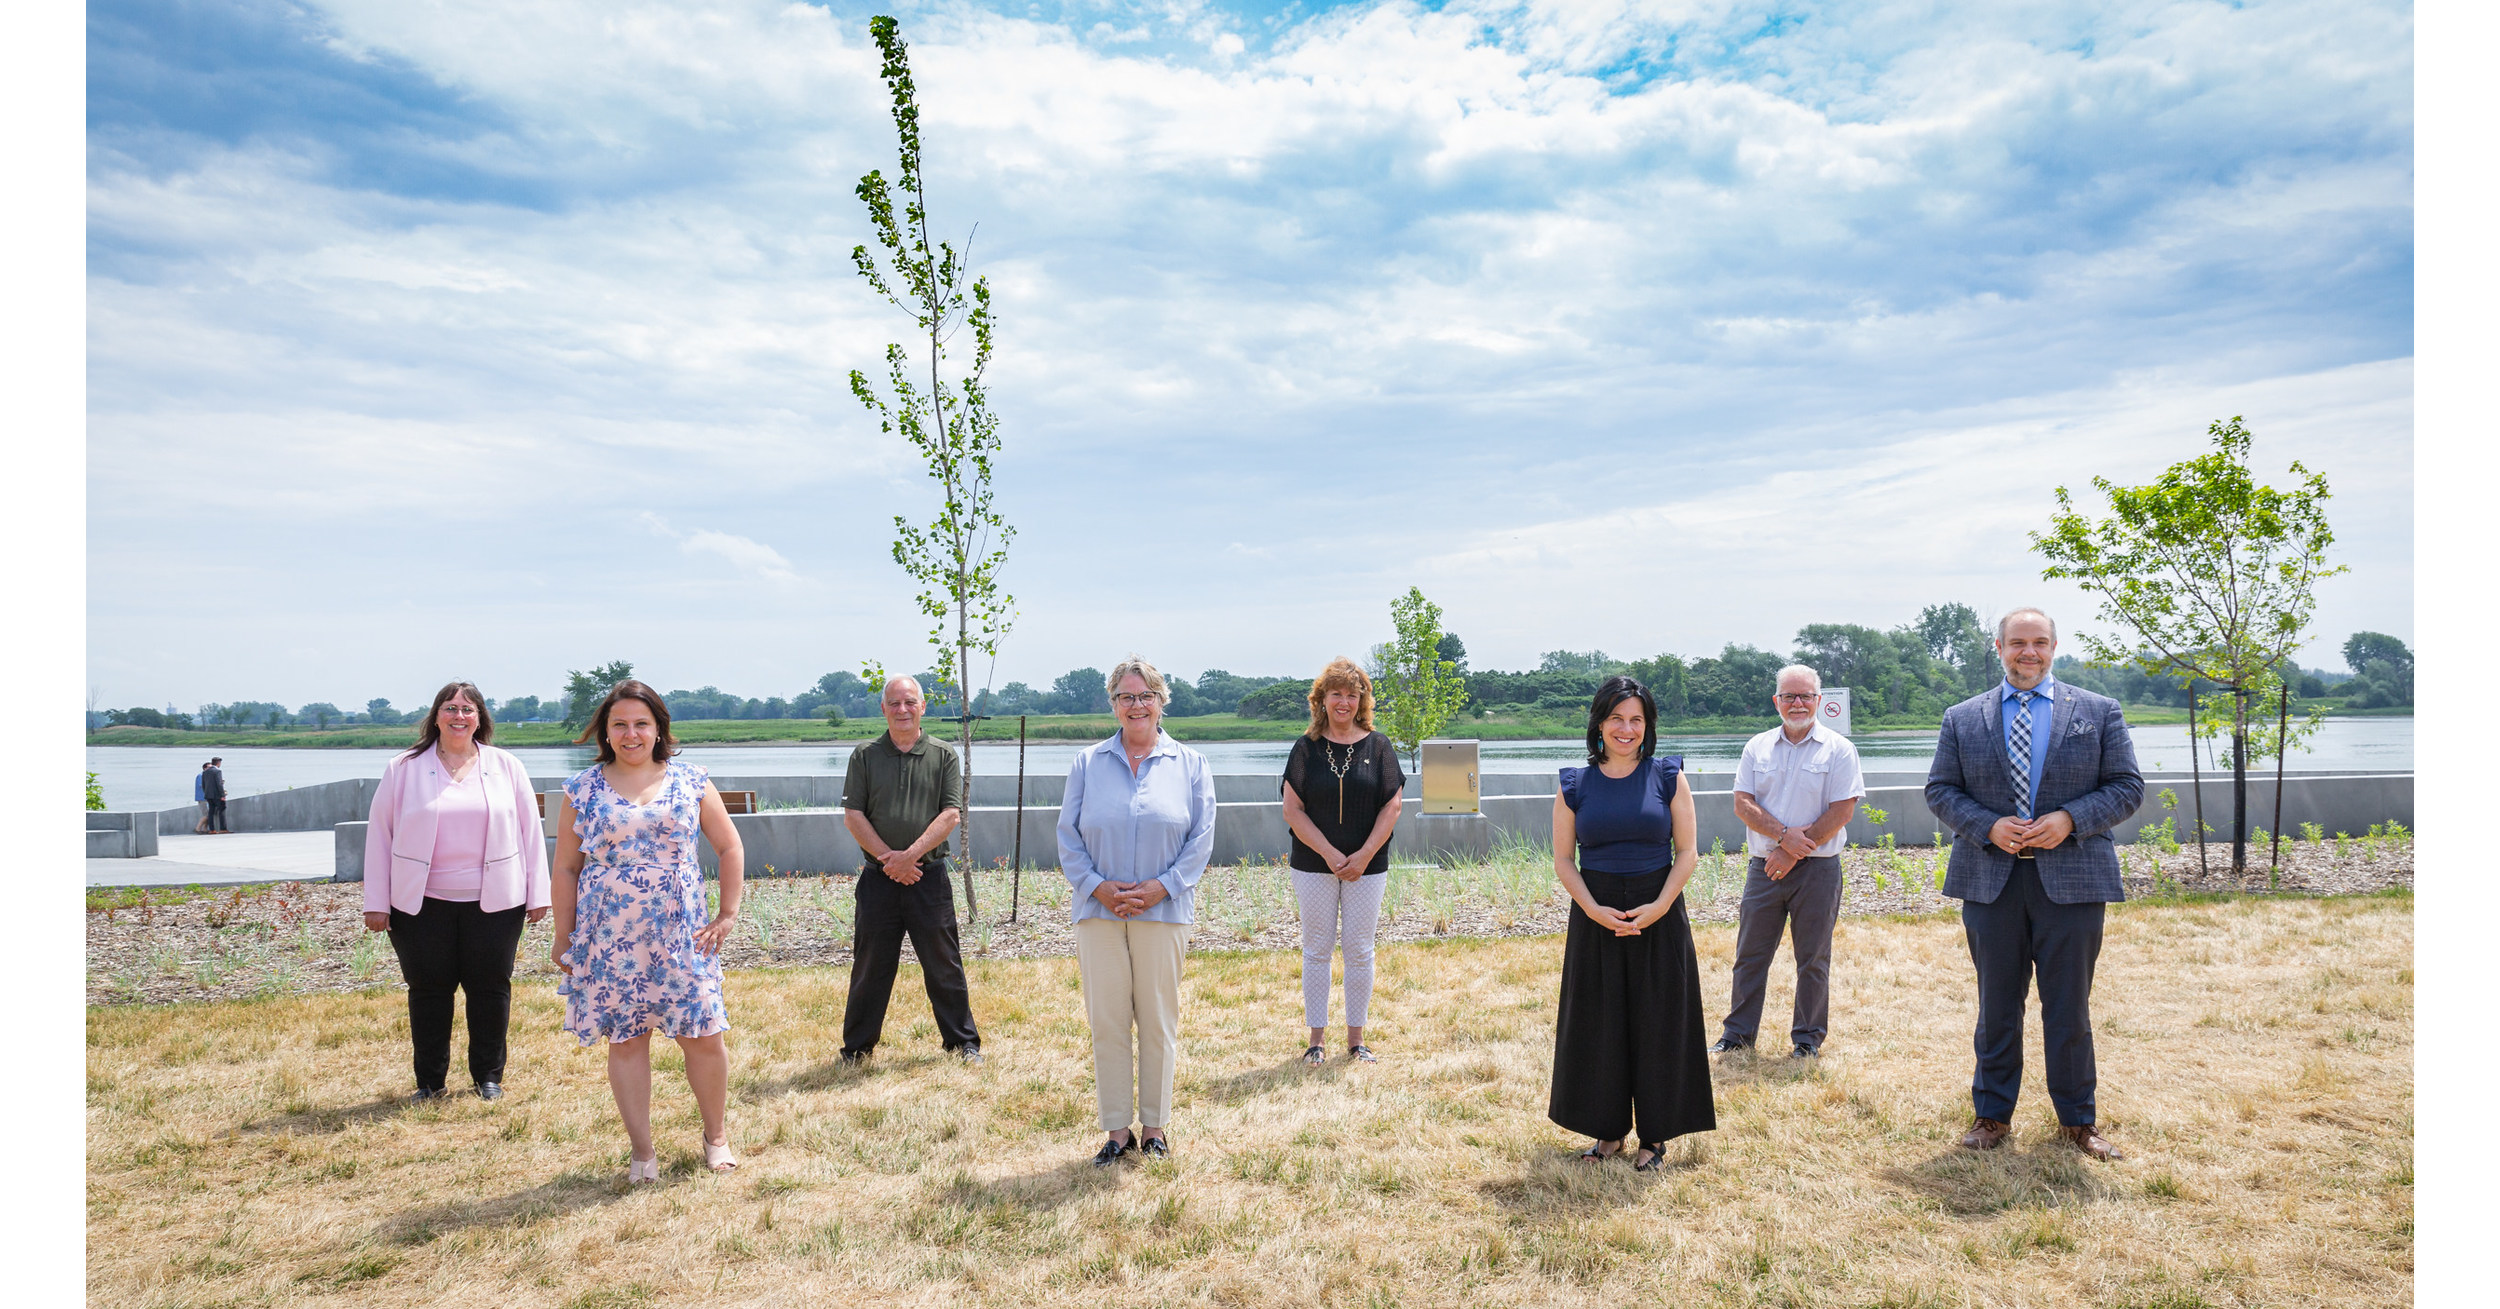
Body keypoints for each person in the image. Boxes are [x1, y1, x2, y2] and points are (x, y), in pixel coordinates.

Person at [1925, 608, 2142, 1162]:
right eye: (2018, 642)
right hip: (1989, 880)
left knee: (2069, 1008)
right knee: (1997, 1005)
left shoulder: (2098, 711)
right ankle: (1991, 1115)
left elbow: (2127, 787)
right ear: (1998, 647)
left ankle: (2078, 1122)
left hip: (2073, 880)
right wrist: (1987, 826)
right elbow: (1941, 791)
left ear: (2053, 647)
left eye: (2039, 642)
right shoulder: (1962, 717)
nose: (2029, 652)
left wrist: (2070, 819)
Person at [551, 679, 747, 1183]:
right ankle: (643, 1152)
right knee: (628, 1038)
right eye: (620, 724)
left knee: (704, 1036)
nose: (631, 733)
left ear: (659, 728)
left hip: (682, 934)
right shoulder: (583, 790)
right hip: (609, 936)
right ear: (606, 731)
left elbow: (730, 848)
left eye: (641, 723)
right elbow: (566, 870)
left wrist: (726, 914)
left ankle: (716, 1137)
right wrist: (564, 934)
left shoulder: (691, 781)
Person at [1549, 676, 1716, 1171]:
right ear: (1599, 724)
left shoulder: (1668, 776)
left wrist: (1661, 905)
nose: (1626, 729)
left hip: (1658, 911)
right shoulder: (1573, 784)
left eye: (1636, 720)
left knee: (1660, 1021)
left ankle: (1656, 1137)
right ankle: (1607, 1134)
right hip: (1595, 914)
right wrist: (1593, 910)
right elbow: (1563, 859)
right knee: (1598, 1023)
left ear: (1648, 727)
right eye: (1617, 718)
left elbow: (1687, 851)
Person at [1057, 656, 1215, 1167]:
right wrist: (1098, 888)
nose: (1136, 705)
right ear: (1114, 704)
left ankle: (1154, 1128)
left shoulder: (1190, 764)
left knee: (1157, 1021)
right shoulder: (1087, 763)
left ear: (1161, 701)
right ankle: (1117, 1131)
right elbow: (1068, 837)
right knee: (1107, 1021)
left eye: (1145, 695)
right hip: (1099, 914)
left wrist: (1161, 888)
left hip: (1163, 913)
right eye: (1126, 697)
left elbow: (1200, 840)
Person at [361, 683, 551, 1102]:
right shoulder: (403, 768)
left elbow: (530, 832)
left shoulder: (506, 766)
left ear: (480, 717)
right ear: (436, 716)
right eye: (450, 708)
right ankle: (429, 1082)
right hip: (420, 904)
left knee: (490, 989)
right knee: (428, 991)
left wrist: (539, 894)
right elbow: (379, 837)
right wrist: (375, 902)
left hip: (497, 902)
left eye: (467, 709)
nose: (458, 716)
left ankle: (488, 1076)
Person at [1712, 665, 1865, 1060]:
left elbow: (1842, 810)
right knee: (1750, 955)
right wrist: (1781, 839)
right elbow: (1742, 803)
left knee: (1813, 958)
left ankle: (1807, 1040)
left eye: (1806, 696)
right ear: (1776, 700)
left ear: (1819, 700)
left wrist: (1792, 850)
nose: (1797, 703)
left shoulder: (1839, 749)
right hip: (1764, 869)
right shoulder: (1756, 747)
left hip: (1818, 871)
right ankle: (1738, 1035)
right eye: (1789, 696)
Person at [838, 676, 981, 1066]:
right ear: (883, 709)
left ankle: (963, 1044)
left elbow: (951, 814)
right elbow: (853, 816)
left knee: (944, 963)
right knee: (871, 966)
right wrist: (890, 859)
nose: (902, 710)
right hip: (877, 880)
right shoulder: (865, 755)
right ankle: (856, 1049)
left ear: (923, 707)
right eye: (894, 703)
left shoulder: (943, 754)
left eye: (909, 702)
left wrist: (910, 857)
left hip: (928, 879)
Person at [1279, 657, 1404, 1065]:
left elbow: (1393, 806)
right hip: (1313, 864)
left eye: (1353, 694)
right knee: (1317, 950)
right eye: (1337, 694)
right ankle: (1316, 1041)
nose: (1344, 702)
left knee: (1359, 949)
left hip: (1368, 866)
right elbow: (1292, 810)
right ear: (1322, 699)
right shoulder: (1305, 749)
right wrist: (1332, 855)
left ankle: (1356, 1040)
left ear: (1362, 700)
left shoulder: (1380, 746)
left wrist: (1363, 855)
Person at [203, 757, 228, 833]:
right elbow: (219, 784)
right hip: (217, 795)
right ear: (218, 763)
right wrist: (222, 795)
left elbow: (204, 785)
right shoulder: (217, 771)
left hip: (208, 795)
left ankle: (212, 830)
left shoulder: (205, 772)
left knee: (211, 812)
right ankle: (222, 829)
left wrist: (206, 793)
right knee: (222, 810)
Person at [193, 764, 211, 834]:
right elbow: (202, 785)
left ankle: (205, 829)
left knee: (209, 814)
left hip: (207, 798)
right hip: (202, 798)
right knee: (206, 815)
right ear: (204, 768)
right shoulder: (201, 776)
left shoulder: (207, 776)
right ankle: (197, 828)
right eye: (209, 767)